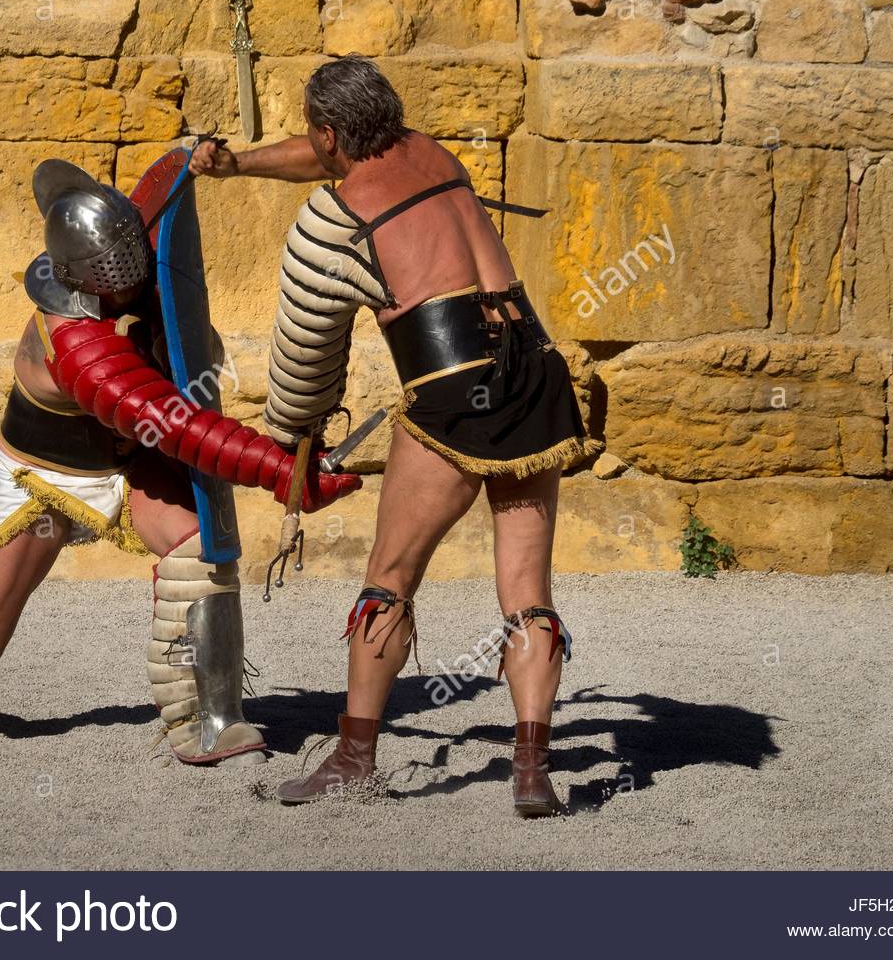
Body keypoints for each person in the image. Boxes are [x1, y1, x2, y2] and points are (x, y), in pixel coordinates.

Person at [0, 157, 360, 767]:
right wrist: (285, 474)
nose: (136, 282)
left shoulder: (114, 257)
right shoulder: (79, 348)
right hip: (47, 479)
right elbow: (179, 426)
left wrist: (193, 159)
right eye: (121, 275)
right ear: (88, 278)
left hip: (128, 460)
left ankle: (202, 722)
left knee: (197, 545)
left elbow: (162, 216)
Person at [189, 55, 602, 813]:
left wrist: (289, 437)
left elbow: (305, 360)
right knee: (526, 591)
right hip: (535, 374)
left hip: (454, 393)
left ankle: (354, 758)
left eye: (317, 136)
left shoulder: (331, 222)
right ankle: (533, 771)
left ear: (329, 133)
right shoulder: (432, 152)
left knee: (390, 578)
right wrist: (240, 165)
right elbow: (321, 153)